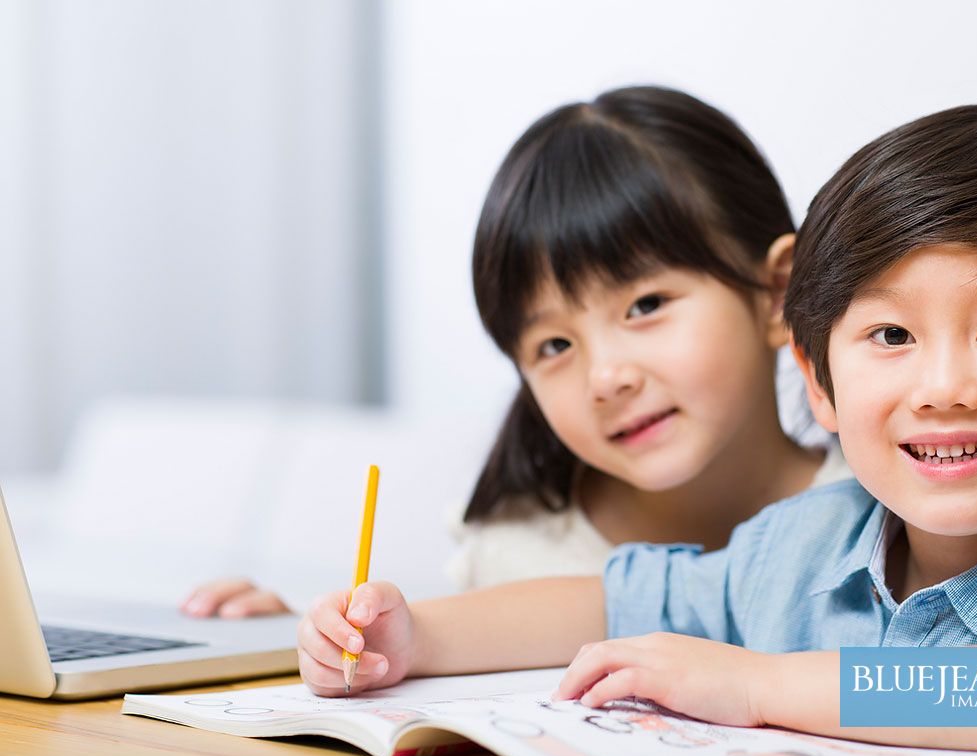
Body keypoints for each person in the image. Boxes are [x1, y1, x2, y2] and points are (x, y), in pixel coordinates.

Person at [298, 103, 977, 756]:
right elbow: (606, 604)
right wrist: (412, 636)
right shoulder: (804, 548)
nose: (942, 387)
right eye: (888, 335)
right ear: (821, 384)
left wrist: (759, 686)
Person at [180, 85, 849, 618]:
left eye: (644, 306)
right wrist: (324, 639)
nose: (605, 376)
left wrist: (766, 687)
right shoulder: (516, 557)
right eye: (554, 344)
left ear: (775, 292)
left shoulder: (894, 509)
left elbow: (955, 693)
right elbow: (435, 669)